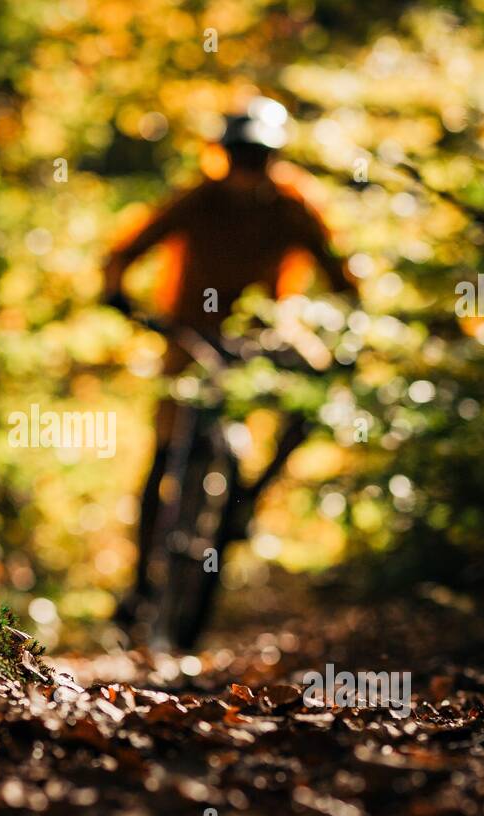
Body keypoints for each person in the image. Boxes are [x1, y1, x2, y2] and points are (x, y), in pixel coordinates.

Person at [103, 96, 357, 628]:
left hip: (263, 339)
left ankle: (250, 496)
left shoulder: (293, 205)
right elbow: (124, 254)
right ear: (224, 156)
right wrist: (121, 300)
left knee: (316, 389)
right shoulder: (198, 200)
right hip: (190, 339)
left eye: (258, 158)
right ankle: (140, 583)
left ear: (274, 158)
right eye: (240, 157)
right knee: (166, 453)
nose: (247, 171)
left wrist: (348, 334)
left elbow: (341, 279)